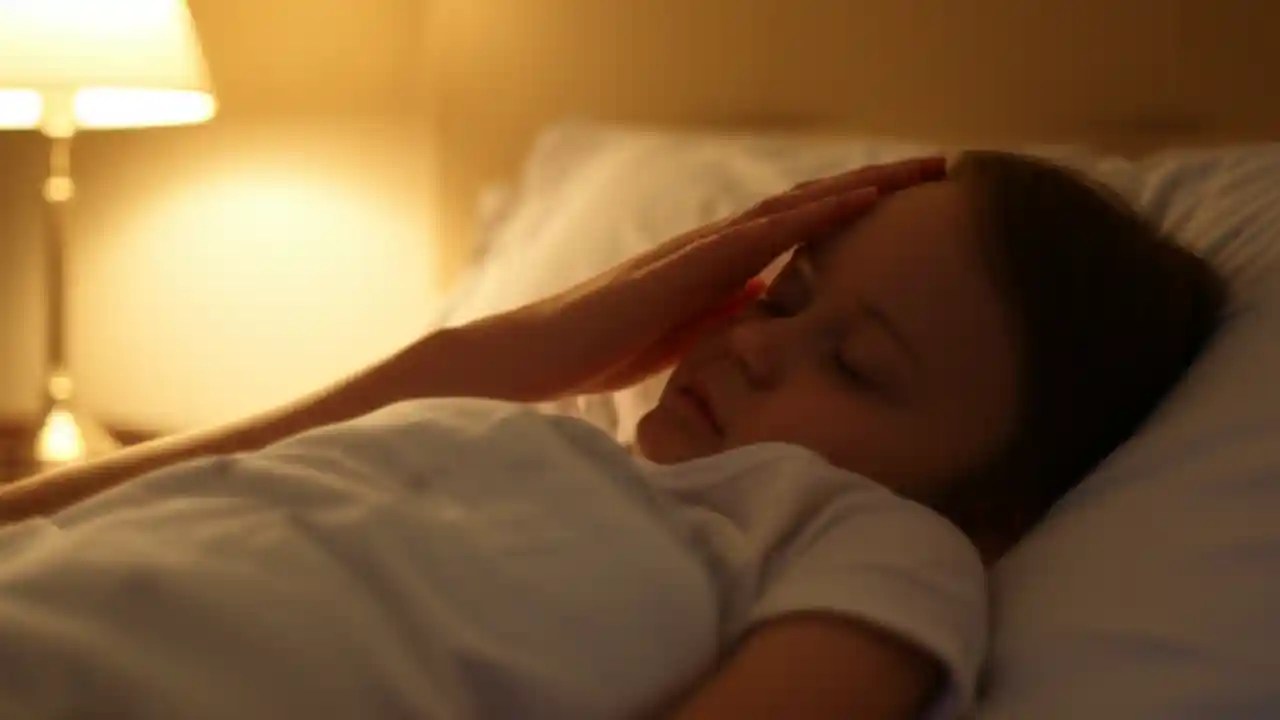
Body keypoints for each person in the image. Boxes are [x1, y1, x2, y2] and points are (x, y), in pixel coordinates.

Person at [0, 154, 1223, 720]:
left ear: (989, 509)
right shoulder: (516, 437)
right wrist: (462, 365)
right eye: (784, 296)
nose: (753, 343)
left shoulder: (863, 537)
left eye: (853, 365)